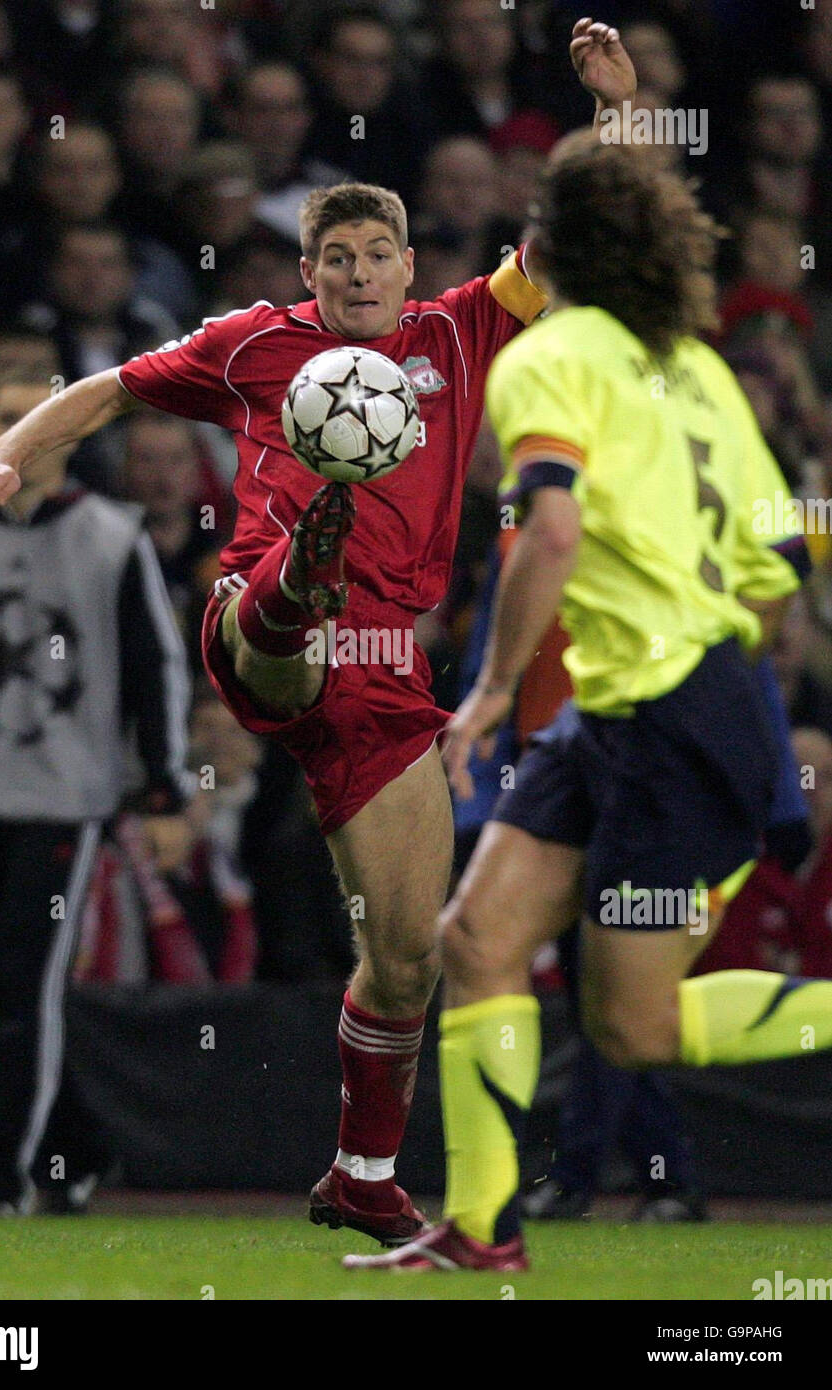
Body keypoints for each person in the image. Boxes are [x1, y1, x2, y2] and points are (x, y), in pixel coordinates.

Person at [0, 19, 637, 1247]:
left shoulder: (458, 332)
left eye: (380, 254)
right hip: (259, 636)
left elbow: (568, 236)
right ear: (312, 272)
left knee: (411, 958)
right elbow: (111, 390)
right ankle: (295, 579)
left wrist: (616, 115)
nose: (361, 274)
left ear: (409, 262)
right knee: (284, 629)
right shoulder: (257, 341)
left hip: (391, 681)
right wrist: (11, 447)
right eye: (339, 258)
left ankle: (361, 1170)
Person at [345, 129, 825, 1275]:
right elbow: (778, 572)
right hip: (648, 707)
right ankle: (484, 1224)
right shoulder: (700, 370)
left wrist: (495, 687)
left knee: (635, 1025)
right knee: (478, 936)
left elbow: (548, 527)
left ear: (549, 247)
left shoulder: (548, 362)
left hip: (665, 721)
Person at [0, 372, 191, 1213]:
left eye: (26, 420)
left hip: (63, 799)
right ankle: (80, 1146)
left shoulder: (109, 535)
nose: (11, 433)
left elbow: (153, 664)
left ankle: (8, 1177)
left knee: (23, 988)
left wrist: (165, 783)